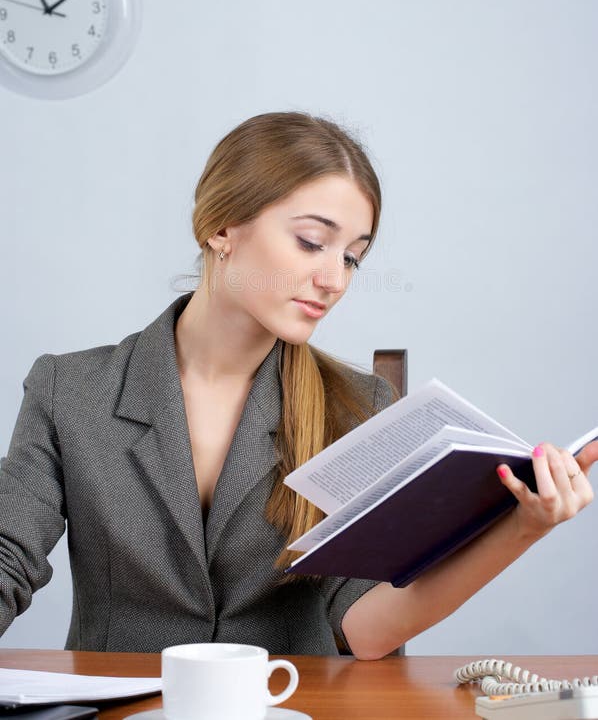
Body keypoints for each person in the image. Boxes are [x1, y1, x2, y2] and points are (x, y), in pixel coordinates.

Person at [1, 111, 596, 659]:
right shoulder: (70, 390)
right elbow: (9, 557)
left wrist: (524, 527)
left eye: (352, 258)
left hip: (291, 707)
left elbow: (363, 628)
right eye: (312, 242)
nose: (334, 279)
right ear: (221, 229)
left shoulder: (360, 406)